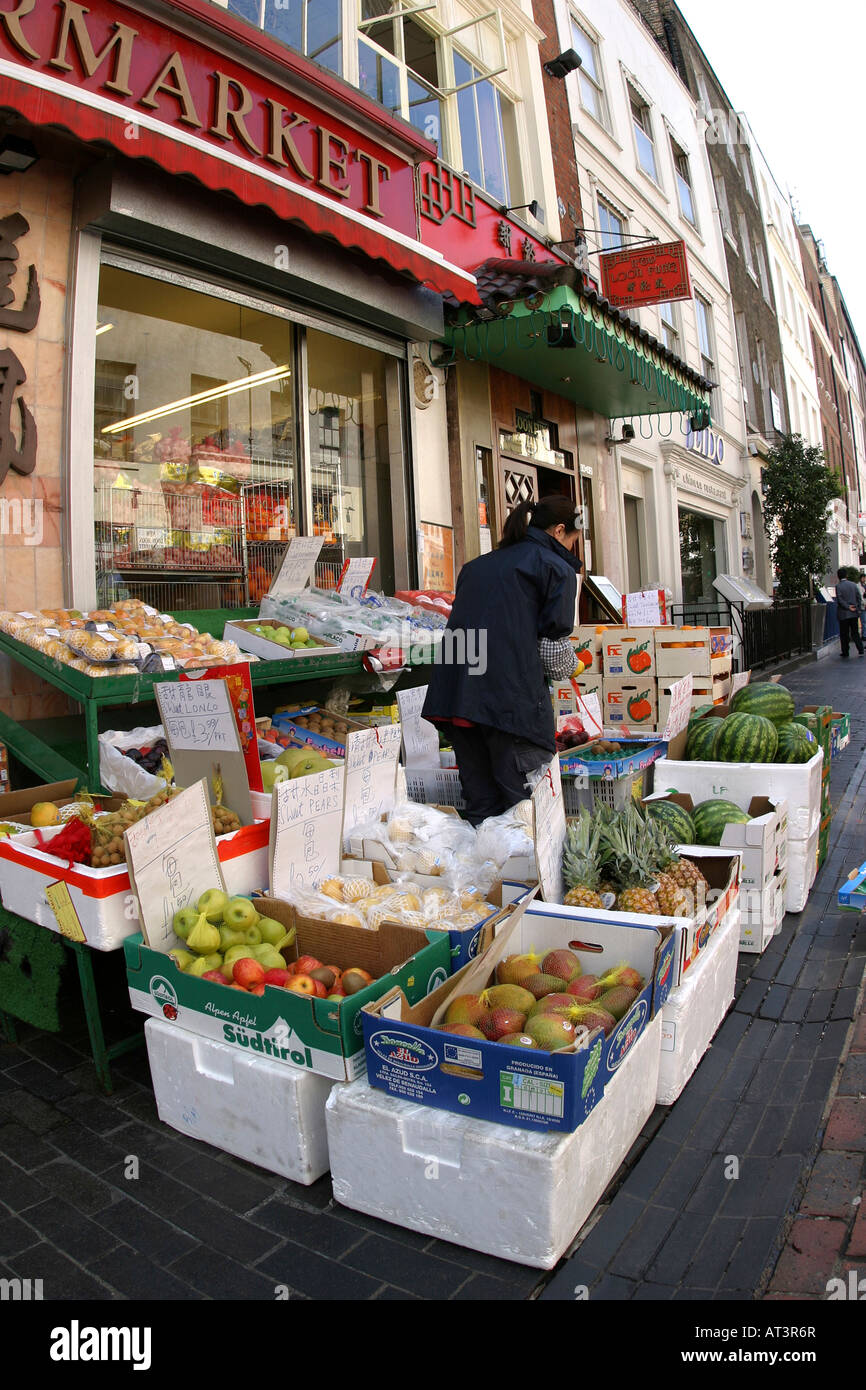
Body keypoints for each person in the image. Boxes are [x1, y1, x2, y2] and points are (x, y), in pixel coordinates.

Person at [422, 495, 583, 825]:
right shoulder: (557, 569)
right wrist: (575, 664)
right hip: (510, 706)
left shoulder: (476, 566)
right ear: (559, 531)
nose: (573, 548)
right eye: (573, 540)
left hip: (458, 701)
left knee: (482, 810)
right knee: (525, 813)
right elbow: (553, 655)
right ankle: (523, 879)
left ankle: (485, 876)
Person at [835, 566, 864, 658]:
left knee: (844, 634)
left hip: (844, 614)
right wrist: (858, 608)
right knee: (855, 632)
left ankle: (845, 651)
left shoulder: (838, 586)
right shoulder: (853, 585)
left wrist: (847, 607)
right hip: (854, 613)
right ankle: (860, 649)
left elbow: (840, 599)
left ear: (838, 576)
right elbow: (859, 597)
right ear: (846, 575)